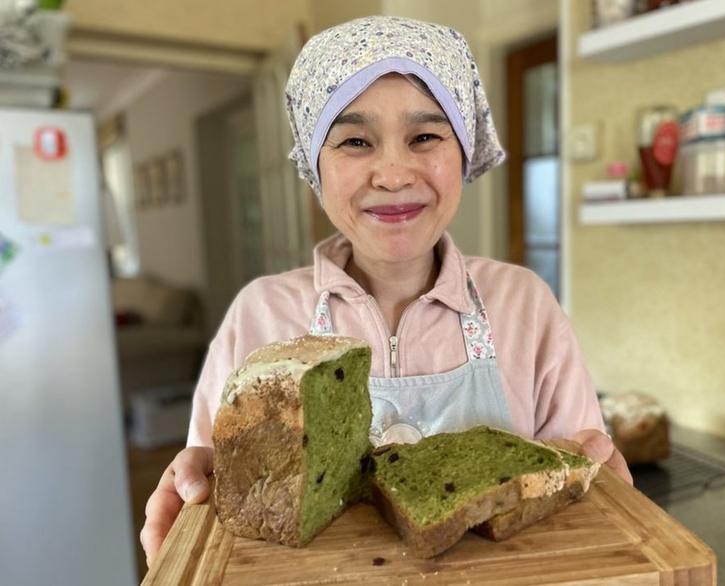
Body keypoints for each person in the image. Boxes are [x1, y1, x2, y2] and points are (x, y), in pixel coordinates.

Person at [140, 15, 632, 567]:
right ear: (315, 166)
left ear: (464, 152)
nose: (393, 175)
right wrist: (196, 483)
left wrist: (601, 493)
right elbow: (214, 480)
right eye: (355, 141)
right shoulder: (259, 315)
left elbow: (572, 487)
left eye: (425, 137)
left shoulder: (525, 304)